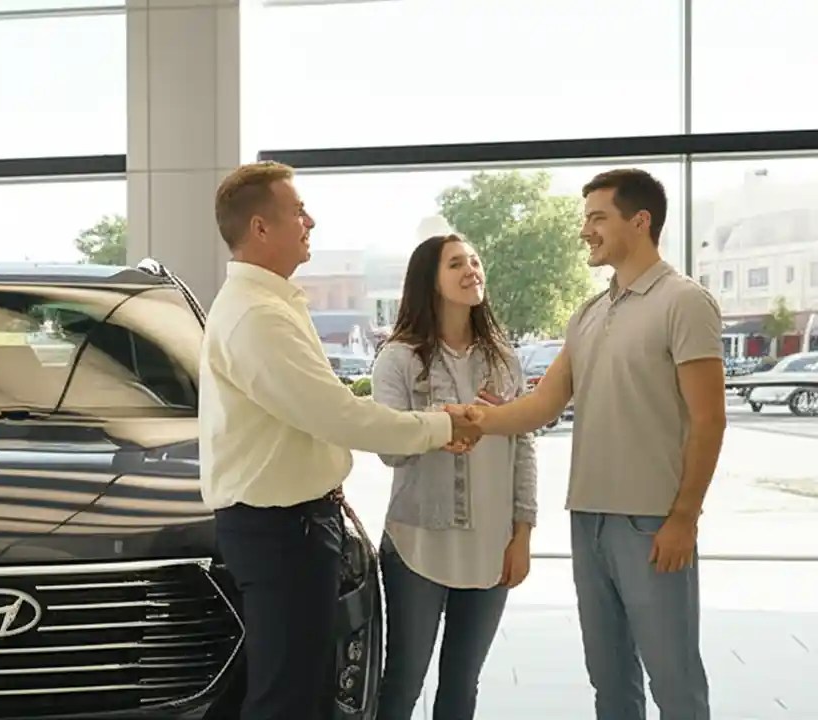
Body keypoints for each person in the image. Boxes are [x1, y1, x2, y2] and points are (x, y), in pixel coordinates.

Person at [200, 161, 482, 720]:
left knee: (293, 684)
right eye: (297, 210)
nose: (310, 220)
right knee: (288, 698)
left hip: (292, 526)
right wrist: (443, 425)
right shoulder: (257, 317)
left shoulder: (273, 305)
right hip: (282, 531)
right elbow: (338, 416)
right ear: (260, 228)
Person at [452, 168, 726, 719]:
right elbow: (543, 404)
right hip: (589, 517)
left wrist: (684, 518)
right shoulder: (590, 312)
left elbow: (709, 420)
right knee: (609, 678)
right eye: (586, 219)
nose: (586, 231)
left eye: (598, 218)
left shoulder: (684, 302)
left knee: (674, 681)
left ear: (640, 220)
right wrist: (478, 419)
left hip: (652, 522)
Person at [370, 233, 537, 720]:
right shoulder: (398, 358)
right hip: (417, 544)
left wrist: (521, 535)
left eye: (475, 261)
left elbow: (523, 447)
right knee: (403, 680)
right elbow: (387, 451)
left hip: (491, 545)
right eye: (456, 264)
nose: (472, 271)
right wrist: (437, 428)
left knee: (463, 684)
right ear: (430, 280)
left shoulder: (503, 359)